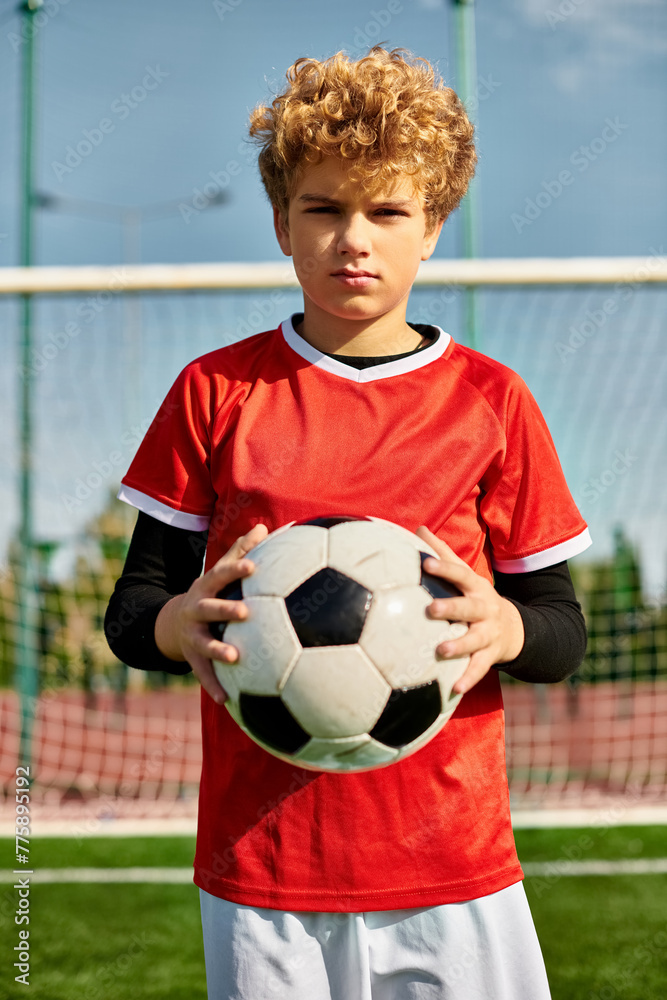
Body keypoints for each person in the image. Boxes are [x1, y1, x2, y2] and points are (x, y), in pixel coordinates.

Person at [105, 47, 591, 999]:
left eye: (386, 211)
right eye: (323, 210)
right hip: (265, 865)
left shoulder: (491, 402)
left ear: (433, 228)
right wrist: (176, 624)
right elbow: (135, 613)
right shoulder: (214, 391)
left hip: (452, 860)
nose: (352, 240)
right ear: (284, 224)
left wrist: (505, 628)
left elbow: (559, 631)